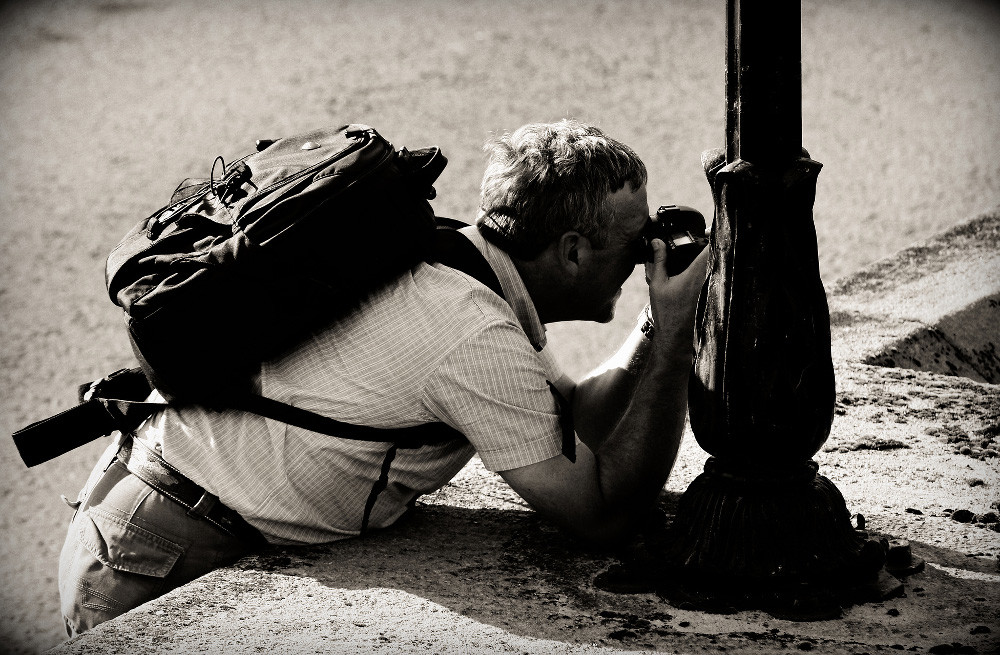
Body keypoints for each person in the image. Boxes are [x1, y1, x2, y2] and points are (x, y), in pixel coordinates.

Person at [58, 119, 709, 635]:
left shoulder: (457, 263)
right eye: (634, 244)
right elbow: (601, 514)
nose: (644, 256)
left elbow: (571, 421)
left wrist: (655, 323)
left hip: (147, 509)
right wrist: (679, 343)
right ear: (571, 250)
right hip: (153, 561)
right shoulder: (471, 329)